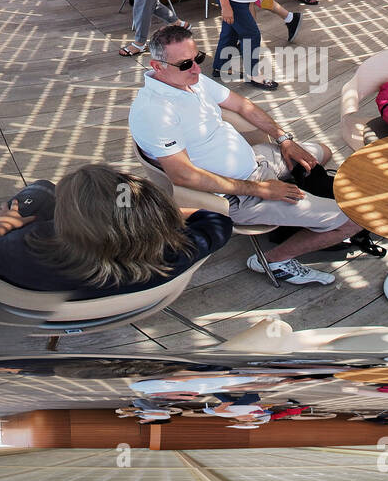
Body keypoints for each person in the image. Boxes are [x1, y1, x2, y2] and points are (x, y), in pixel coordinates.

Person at [127, 25, 351, 286]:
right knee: (353, 218)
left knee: (320, 153)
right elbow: (183, 175)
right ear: (157, 66)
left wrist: (284, 139)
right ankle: (274, 260)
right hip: (234, 196)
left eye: (198, 58)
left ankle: (298, 211)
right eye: (186, 63)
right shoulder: (155, 111)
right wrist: (261, 190)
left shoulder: (190, 81)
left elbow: (243, 106)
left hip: (255, 161)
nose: (197, 68)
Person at [0, 161, 234, 298]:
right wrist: (153, 218)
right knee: (46, 195)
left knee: (42, 191)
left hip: (44, 283)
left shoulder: (24, 245)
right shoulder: (180, 250)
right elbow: (217, 219)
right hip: (122, 292)